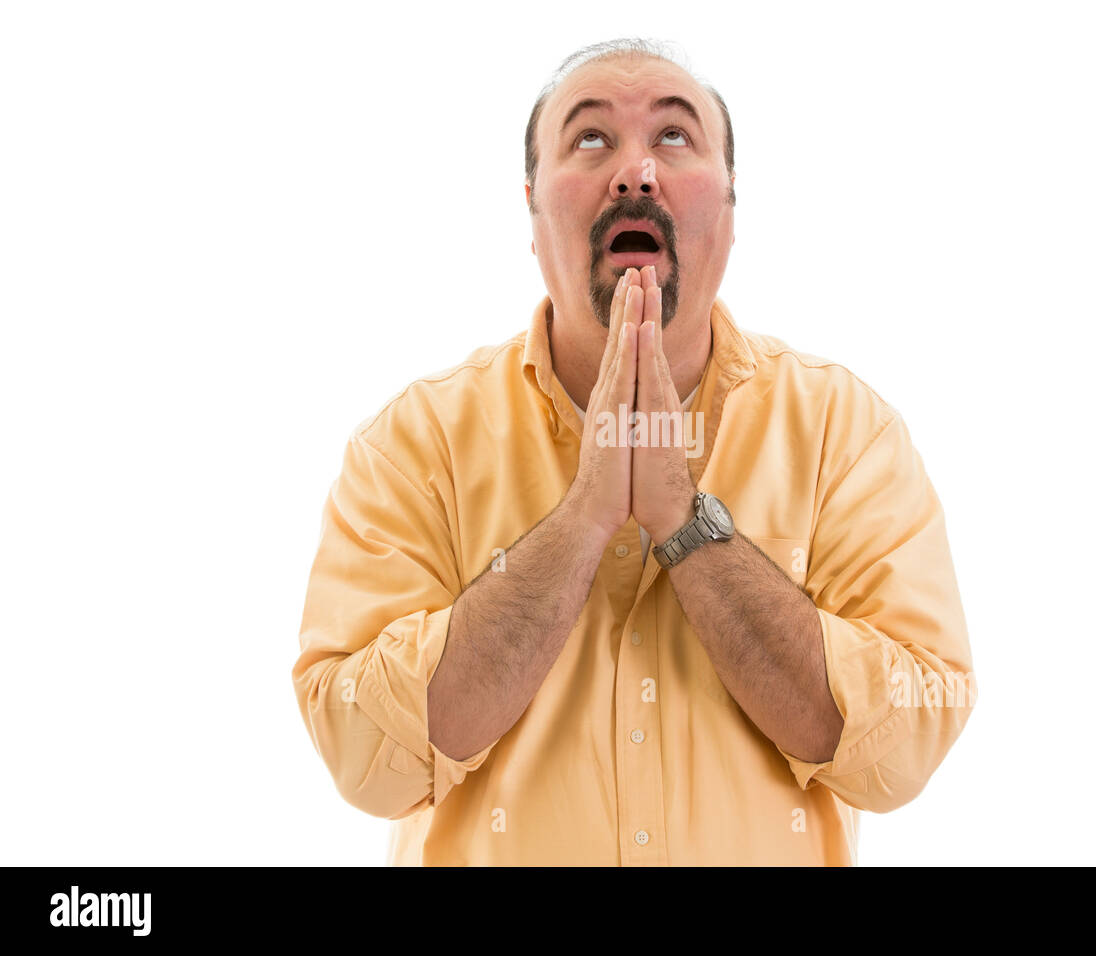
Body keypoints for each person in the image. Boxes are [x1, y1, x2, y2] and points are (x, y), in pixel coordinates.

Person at [292, 38, 977, 866]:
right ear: (533, 212)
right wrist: (585, 517)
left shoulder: (845, 433)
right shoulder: (413, 444)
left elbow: (902, 748)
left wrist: (685, 524)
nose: (635, 173)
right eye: (589, 139)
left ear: (728, 208)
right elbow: (364, 754)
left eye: (674, 137)